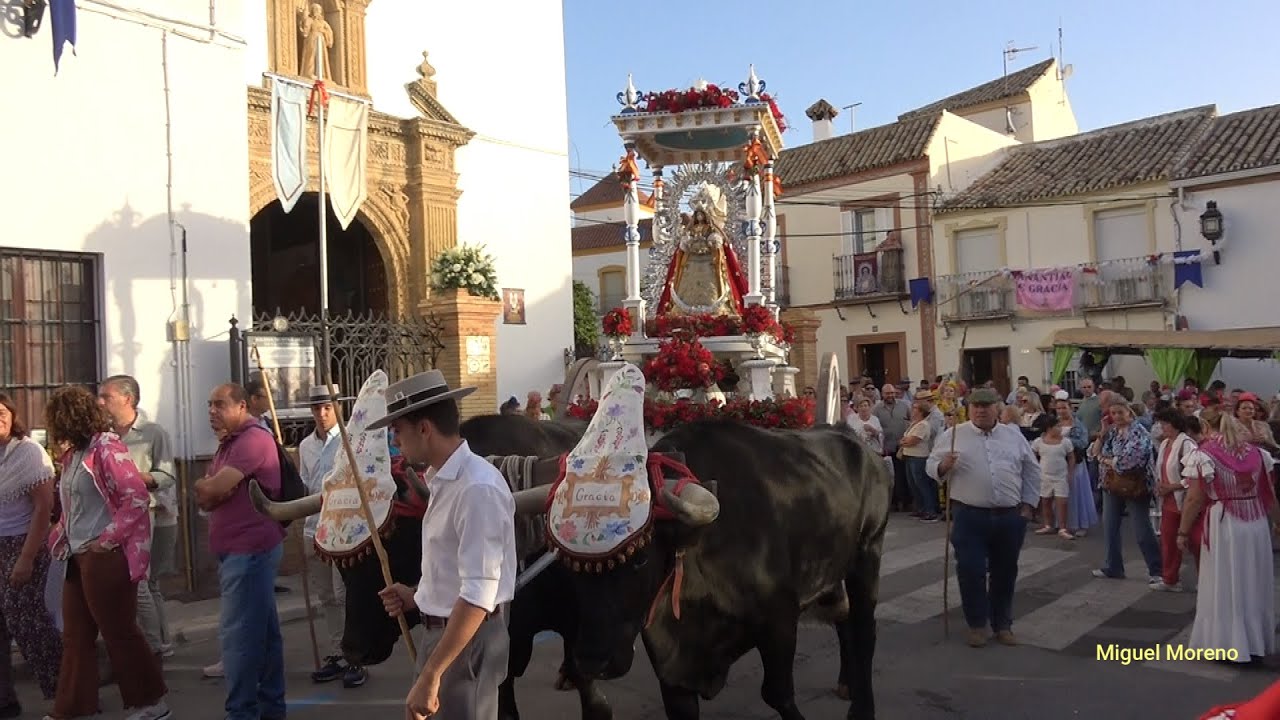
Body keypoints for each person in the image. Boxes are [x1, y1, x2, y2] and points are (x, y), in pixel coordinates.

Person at [371, 370, 516, 719]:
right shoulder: (445, 480)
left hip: (466, 642)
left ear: (424, 428)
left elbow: (478, 595)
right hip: (447, 637)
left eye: (398, 431)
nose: (397, 442)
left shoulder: (476, 488)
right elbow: (456, 570)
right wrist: (417, 595)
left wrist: (432, 674)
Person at [44, 386, 169, 720]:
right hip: (76, 556)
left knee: (119, 631)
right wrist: (57, 537)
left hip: (103, 555)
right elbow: (74, 508)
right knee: (76, 636)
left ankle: (151, 703)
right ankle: (73, 709)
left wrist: (107, 538)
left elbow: (136, 496)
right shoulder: (73, 456)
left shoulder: (107, 446)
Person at [195, 383, 287, 720]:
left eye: (220, 404)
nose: (212, 412)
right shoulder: (228, 444)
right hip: (236, 550)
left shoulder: (252, 439)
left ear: (242, 406)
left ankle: (242, 712)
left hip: (250, 551)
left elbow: (212, 489)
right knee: (262, 634)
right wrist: (210, 489)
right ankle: (270, 709)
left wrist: (213, 488)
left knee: (239, 639)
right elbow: (207, 491)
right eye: (209, 405)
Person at [927, 388, 1041, 649]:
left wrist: (1028, 506)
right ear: (969, 408)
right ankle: (977, 624)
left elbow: (1031, 471)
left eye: (986, 406)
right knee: (971, 570)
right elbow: (931, 467)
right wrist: (943, 466)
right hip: (969, 515)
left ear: (997, 409)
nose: (980, 410)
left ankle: (1003, 624)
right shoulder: (954, 435)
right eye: (976, 406)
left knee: (1005, 572)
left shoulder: (1013, 435)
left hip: (1009, 516)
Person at [1178, 413, 1280, 664]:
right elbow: (1270, 494)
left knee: (1225, 581)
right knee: (1253, 580)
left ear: (1205, 426)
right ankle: (1255, 641)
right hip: (1255, 521)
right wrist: (1278, 521)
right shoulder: (1259, 455)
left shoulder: (1204, 455)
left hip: (1225, 522)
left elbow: (1194, 498)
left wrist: (1182, 531)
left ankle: (1227, 642)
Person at [97, 375, 177, 657]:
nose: (101, 402)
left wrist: (135, 478)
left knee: (143, 580)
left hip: (151, 513)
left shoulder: (153, 433)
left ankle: (156, 645)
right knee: (141, 583)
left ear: (127, 399)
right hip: (116, 516)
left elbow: (167, 476)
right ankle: (157, 641)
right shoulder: (104, 436)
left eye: (107, 397)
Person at [296, 384, 368, 687]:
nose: (322, 414)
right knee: (326, 597)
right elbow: (305, 485)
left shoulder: (352, 440)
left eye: (327, 407)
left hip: (345, 530)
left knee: (345, 595)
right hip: (314, 528)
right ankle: (337, 654)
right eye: (316, 408)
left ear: (337, 408)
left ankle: (357, 658)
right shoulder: (305, 446)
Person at [0, 393, 62, 716]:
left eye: (2, 413)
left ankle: (64, 690)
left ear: (12, 416)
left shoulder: (28, 453)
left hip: (24, 543)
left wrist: (26, 557)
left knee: (28, 622)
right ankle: (4, 701)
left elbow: (44, 507)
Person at [1089, 401, 1163, 583]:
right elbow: (1093, 453)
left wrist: (1105, 460)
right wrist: (1103, 432)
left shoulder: (1139, 433)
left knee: (1141, 528)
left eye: (1120, 412)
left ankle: (1157, 569)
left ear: (1129, 413)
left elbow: (1127, 461)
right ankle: (1113, 566)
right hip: (1111, 484)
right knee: (1110, 526)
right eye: (1113, 413)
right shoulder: (1113, 432)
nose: (1116, 416)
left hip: (1134, 485)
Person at [1152, 408, 1200, 593]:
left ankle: (1204, 579)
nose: (1162, 427)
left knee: (1195, 542)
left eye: (1165, 423)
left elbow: (1194, 475)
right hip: (1168, 501)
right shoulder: (1165, 443)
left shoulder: (1187, 445)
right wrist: (1160, 485)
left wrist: (1172, 486)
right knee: (1168, 540)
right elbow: (1161, 468)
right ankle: (1170, 578)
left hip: (1185, 499)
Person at [1031, 415, 1075, 540]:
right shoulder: (1038, 442)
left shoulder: (1065, 442)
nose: (1060, 428)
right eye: (1057, 426)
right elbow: (1032, 456)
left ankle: (1062, 528)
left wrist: (1070, 473)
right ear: (1049, 428)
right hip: (1044, 476)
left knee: (1062, 502)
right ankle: (1048, 525)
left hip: (1061, 476)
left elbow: (1071, 457)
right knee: (1046, 501)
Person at [901, 404, 938, 523]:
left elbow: (913, 440)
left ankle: (930, 510)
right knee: (913, 484)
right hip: (909, 456)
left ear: (921, 411)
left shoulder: (923, 425)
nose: (912, 410)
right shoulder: (914, 424)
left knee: (922, 484)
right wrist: (904, 441)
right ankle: (920, 508)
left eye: (915, 408)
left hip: (919, 458)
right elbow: (904, 439)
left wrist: (905, 441)